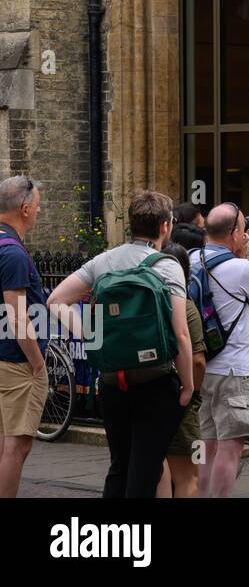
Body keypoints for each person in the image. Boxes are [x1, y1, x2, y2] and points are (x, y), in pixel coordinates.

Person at [48, 190, 194, 498]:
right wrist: (188, 386)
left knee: (119, 467)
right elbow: (180, 333)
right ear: (166, 226)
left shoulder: (104, 261)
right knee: (146, 469)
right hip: (155, 380)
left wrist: (91, 333)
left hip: (113, 383)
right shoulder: (168, 266)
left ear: (131, 224)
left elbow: (56, 300)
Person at [193, 203, 249, 498]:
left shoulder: (189, 260)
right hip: (232, 368)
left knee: (205, 441)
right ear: (235, 232)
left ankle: (197, 493)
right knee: (232, 444)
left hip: (200, 364)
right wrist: (242, 254)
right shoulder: (241, 267)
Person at [0, 175, 46, 498]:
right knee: (17, 445)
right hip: (17, 364)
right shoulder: (13, 254)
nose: (40, 212)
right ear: (26, 209)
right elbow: (17, 316)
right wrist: (38, 362)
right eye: (39, 206)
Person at [156, 242, 206, 498]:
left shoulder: (149, 304)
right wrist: (193, 391)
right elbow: (198, 361)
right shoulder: (186, 308)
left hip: (150, 393)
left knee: (159, 471)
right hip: (181, 401)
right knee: (190, 477)